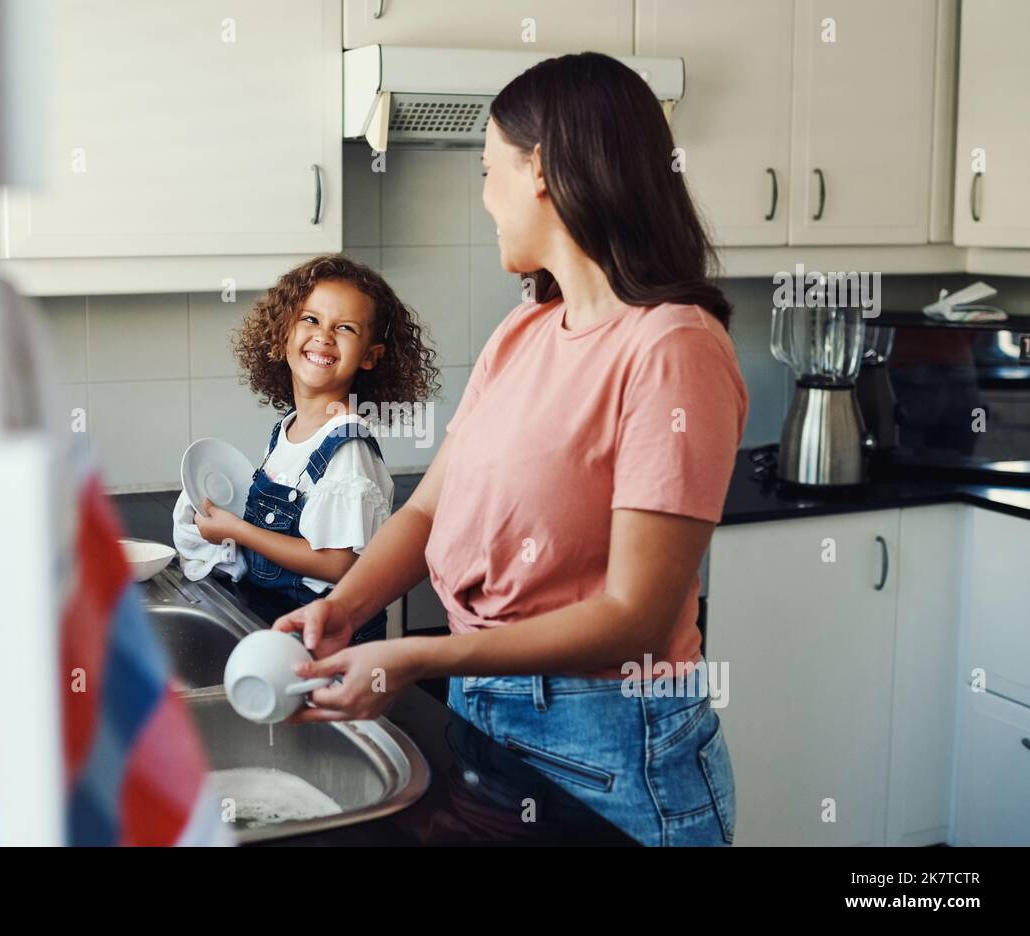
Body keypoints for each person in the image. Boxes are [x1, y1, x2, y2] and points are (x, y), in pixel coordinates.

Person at [273, 53, 749, 846]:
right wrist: (343, 608)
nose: (485, 198)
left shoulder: (672, 347)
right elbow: (429, 510)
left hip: (609, 752)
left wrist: (418, 656)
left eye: (488, 168)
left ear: (543, 171)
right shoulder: (524, 329)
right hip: (485, 718)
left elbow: (635, 616)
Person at [195, 254, 438, 645]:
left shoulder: (346, 448)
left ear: (370, 356)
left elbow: (339, 564)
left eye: (344, 328)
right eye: (311, 319)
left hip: (327, 646)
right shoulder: (287, 428)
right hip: (281, 633)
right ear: (283, 334)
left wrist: (238, 530)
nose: (324, 335)